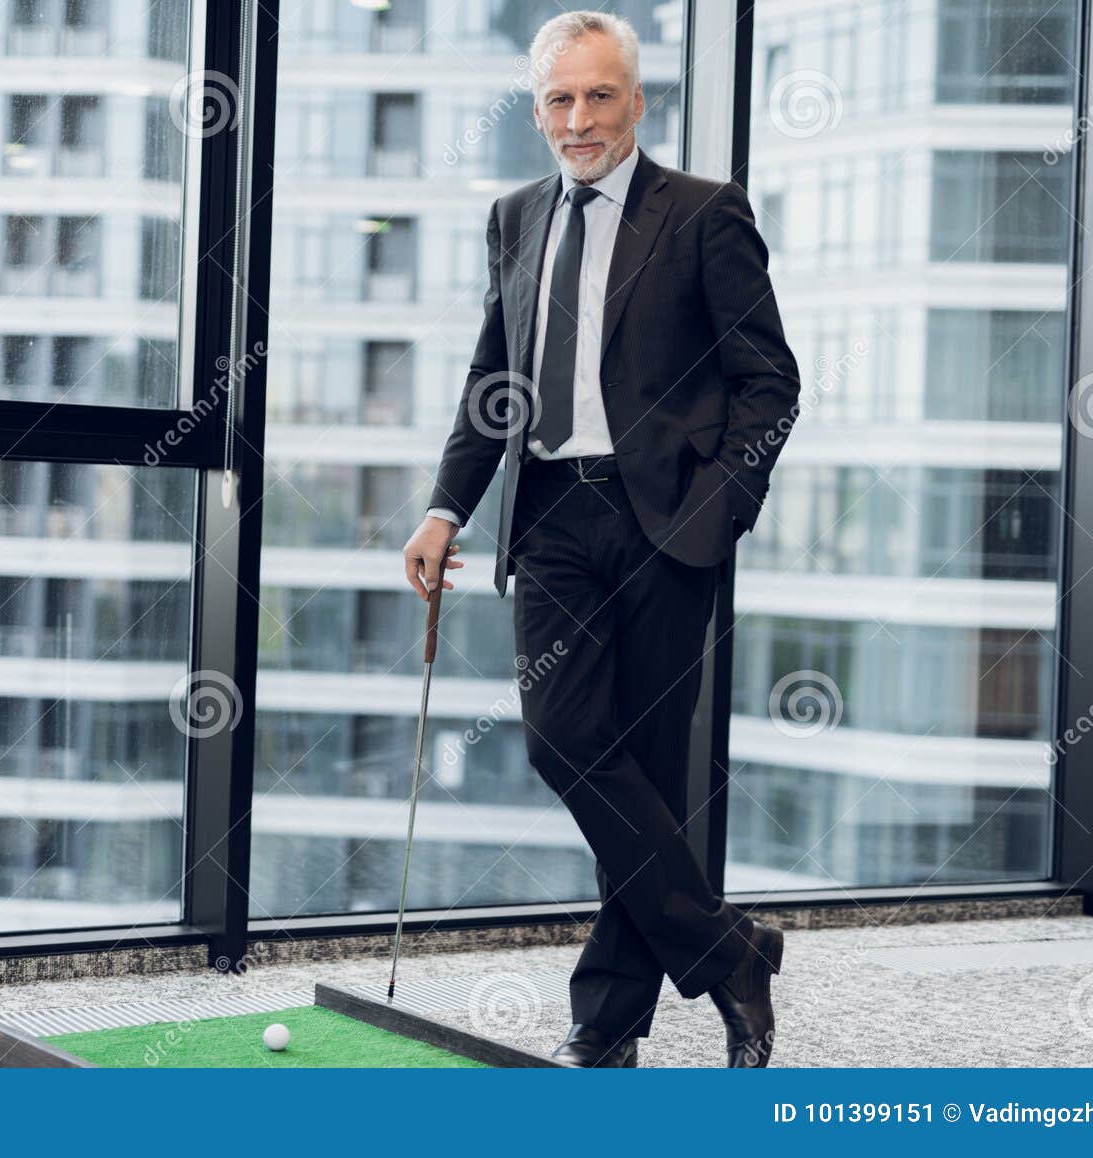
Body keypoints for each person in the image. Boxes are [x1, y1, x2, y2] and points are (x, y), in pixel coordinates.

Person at [402, 10, 800, 1068]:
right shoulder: (515, 215)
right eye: (558, 100)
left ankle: (607, 1024)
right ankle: (730, 954)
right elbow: (494, 382)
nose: (578, 120)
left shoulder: (705, 213)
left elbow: (769, 380)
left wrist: (722, 505)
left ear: (636, 98)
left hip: (666, 521)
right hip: (551, 519)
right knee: (562, 737)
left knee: (650, 778)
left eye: (598, 96)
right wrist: (446, 506)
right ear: (538, 111)